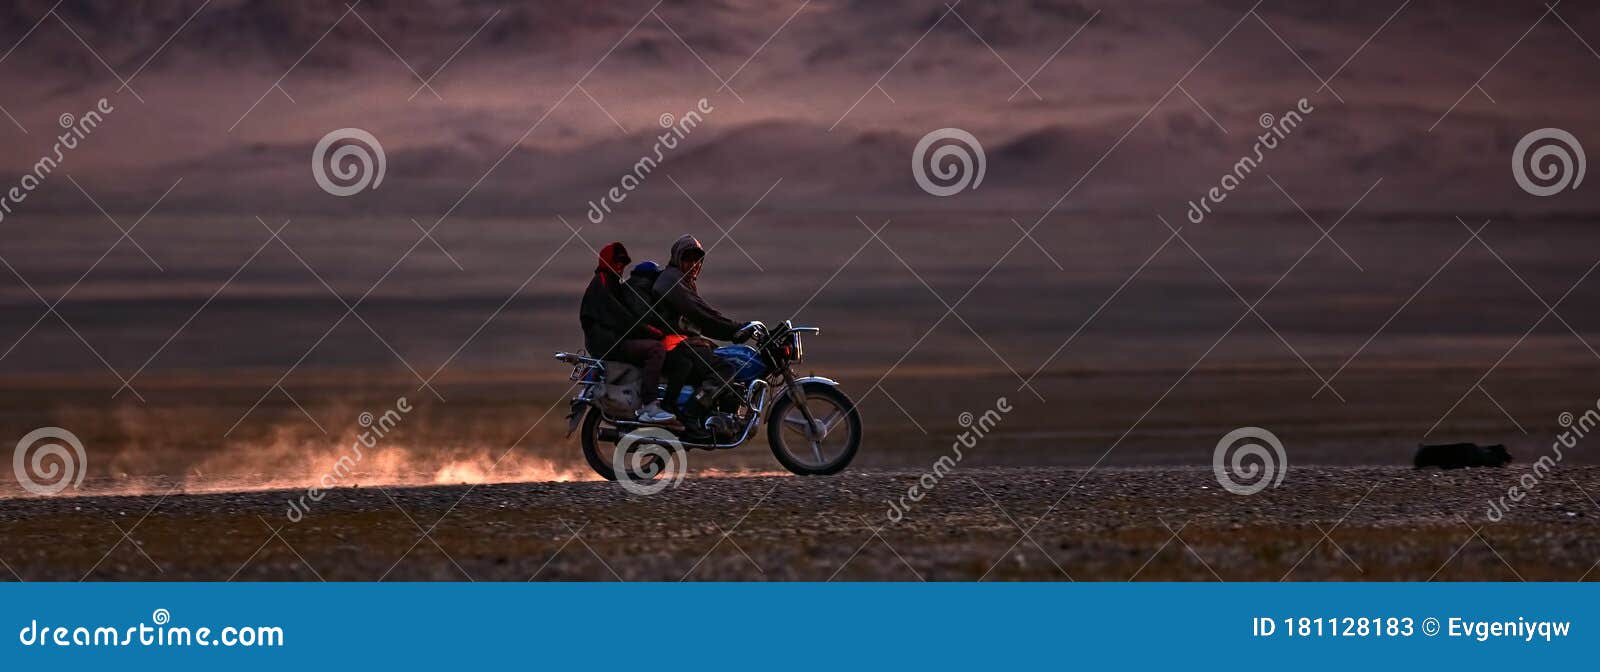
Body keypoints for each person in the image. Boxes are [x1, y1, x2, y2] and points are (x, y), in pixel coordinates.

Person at [651, 235, 763, 417]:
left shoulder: (682, 281)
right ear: (678, 258)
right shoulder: (673, 281)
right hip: (674, 346)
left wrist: (734, 331)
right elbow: (701, 314)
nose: (694, 264)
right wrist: (734, 329)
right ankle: (692, 414)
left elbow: (701, 320)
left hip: (683, 344)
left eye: (698, 259)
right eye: (688, 258)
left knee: (725, 358)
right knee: (725, 369)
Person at [579, 242, 674, 423]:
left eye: (623, 262)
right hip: (607, 342)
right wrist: (650, 331)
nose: (620, 266)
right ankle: (650, 406)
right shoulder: (603, 283)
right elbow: (620, 317)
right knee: (655, 349)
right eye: (617, 261)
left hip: (609, 340)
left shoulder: (612, 282)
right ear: (607, 261)